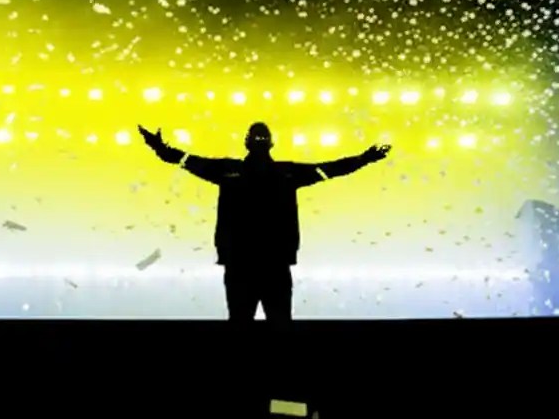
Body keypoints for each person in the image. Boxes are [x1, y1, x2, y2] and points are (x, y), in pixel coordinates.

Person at [138, 122, 391, 322]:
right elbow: (331, 169)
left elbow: (184, 160)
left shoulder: (230, 171)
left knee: (242, 323)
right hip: (272, 261)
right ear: (270, 144)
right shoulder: (285, 173)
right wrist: (364, 159)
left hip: (243, 261)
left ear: (247, 142)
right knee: (277, 324)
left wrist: (159, 147)